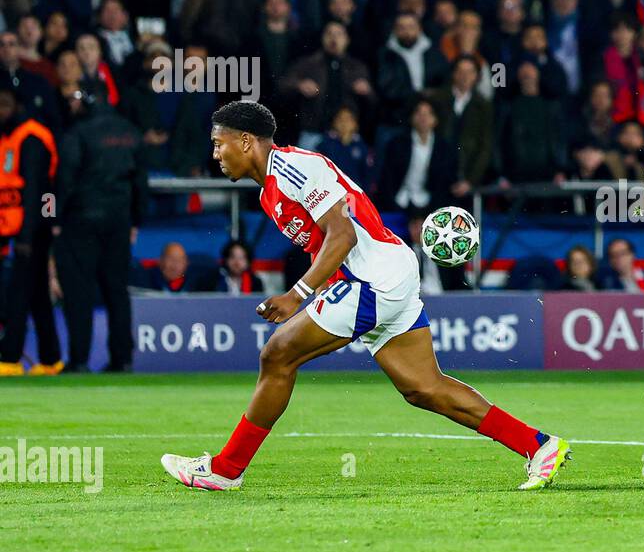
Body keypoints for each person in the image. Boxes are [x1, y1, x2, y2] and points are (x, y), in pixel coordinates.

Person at [160, 101, 570, 492]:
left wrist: (297, 294)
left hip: (373, 278)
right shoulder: (270, 189)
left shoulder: (293, 168)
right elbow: (324, 241)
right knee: (423, 387)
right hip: (384, 273)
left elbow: (343, 234)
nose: (215, 153)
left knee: (277, 354)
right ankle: (538, 444)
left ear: (246, 141)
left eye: (219, 143)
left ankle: (226, 470)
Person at [52, 86, 148, 373]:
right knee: (116, 291)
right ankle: (123, 359)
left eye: (75, 99)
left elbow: (63, 181)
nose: (71, 104)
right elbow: (140, 183)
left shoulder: (77, 133)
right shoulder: (130, 132)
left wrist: (53, 219)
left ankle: (79, 360)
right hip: (119, 220)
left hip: (80, 220)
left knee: (78, 292)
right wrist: (136, 221)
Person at [0, 87, 61, 375]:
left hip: (33, 229)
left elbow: (38, 191)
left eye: (5, 104)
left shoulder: (31, 137)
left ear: (18, 106)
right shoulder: (9, 135)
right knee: (37, 295)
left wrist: (27, 236)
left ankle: (10, 358)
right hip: (17, 227)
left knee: (19, 294)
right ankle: (50, 360)